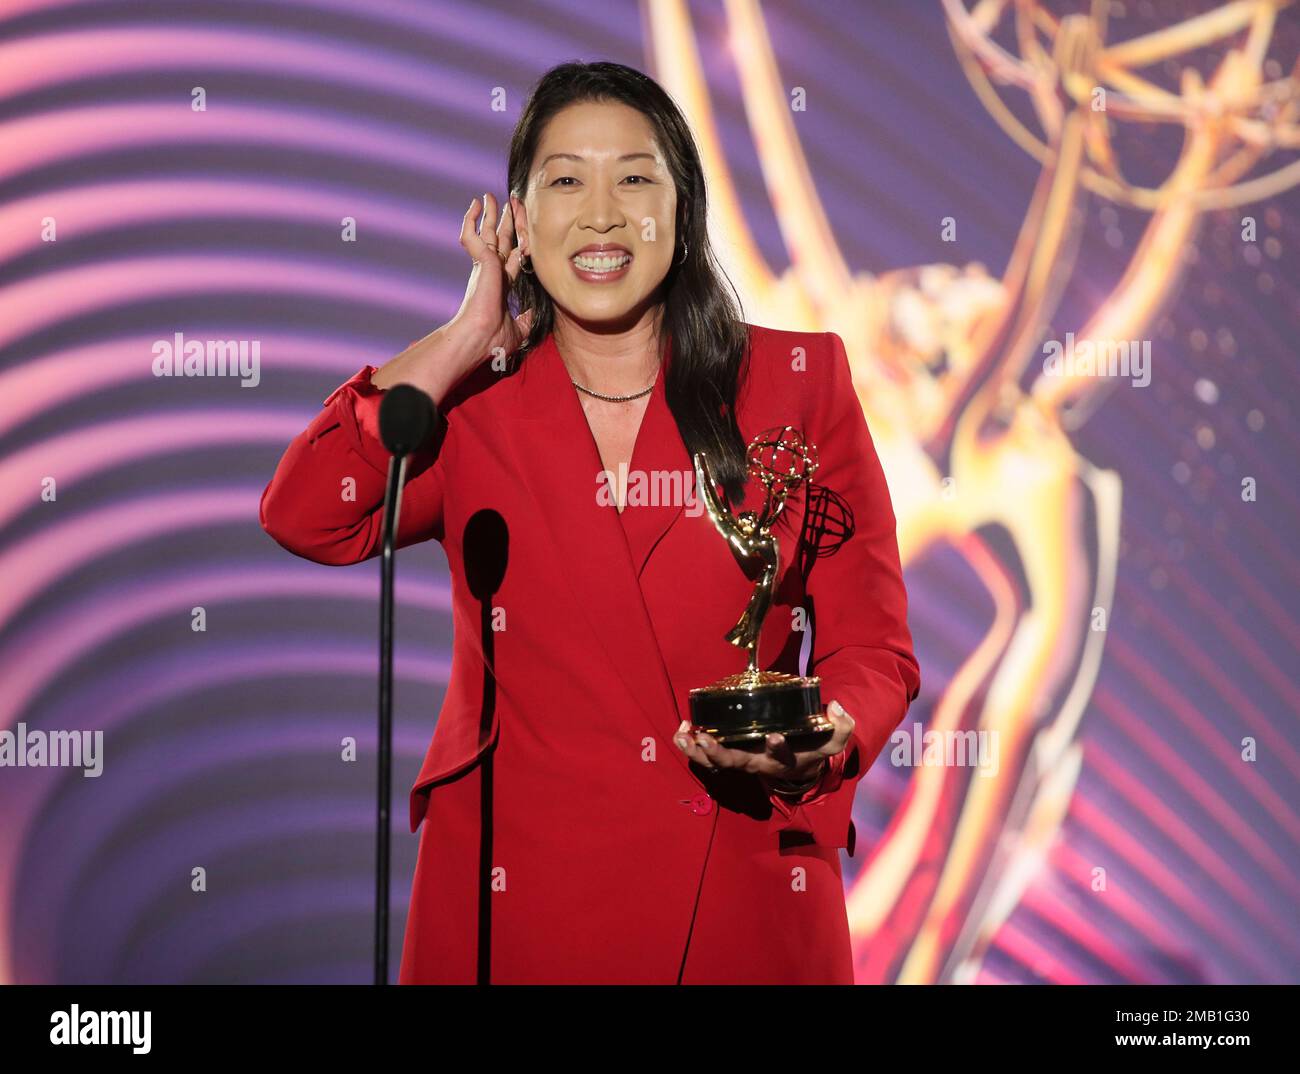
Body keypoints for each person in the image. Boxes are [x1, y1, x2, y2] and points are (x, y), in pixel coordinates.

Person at [259, 60, 919, 984]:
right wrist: (462, 336)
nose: (602, 213)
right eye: (565, 179)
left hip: (741, 888)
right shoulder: (470, 406)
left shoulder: (797, 383)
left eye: (636, 178)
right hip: (516, 909)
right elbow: (308, 513)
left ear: (683, 211)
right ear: (519, 217)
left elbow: (875, 648)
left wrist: (821, 739)